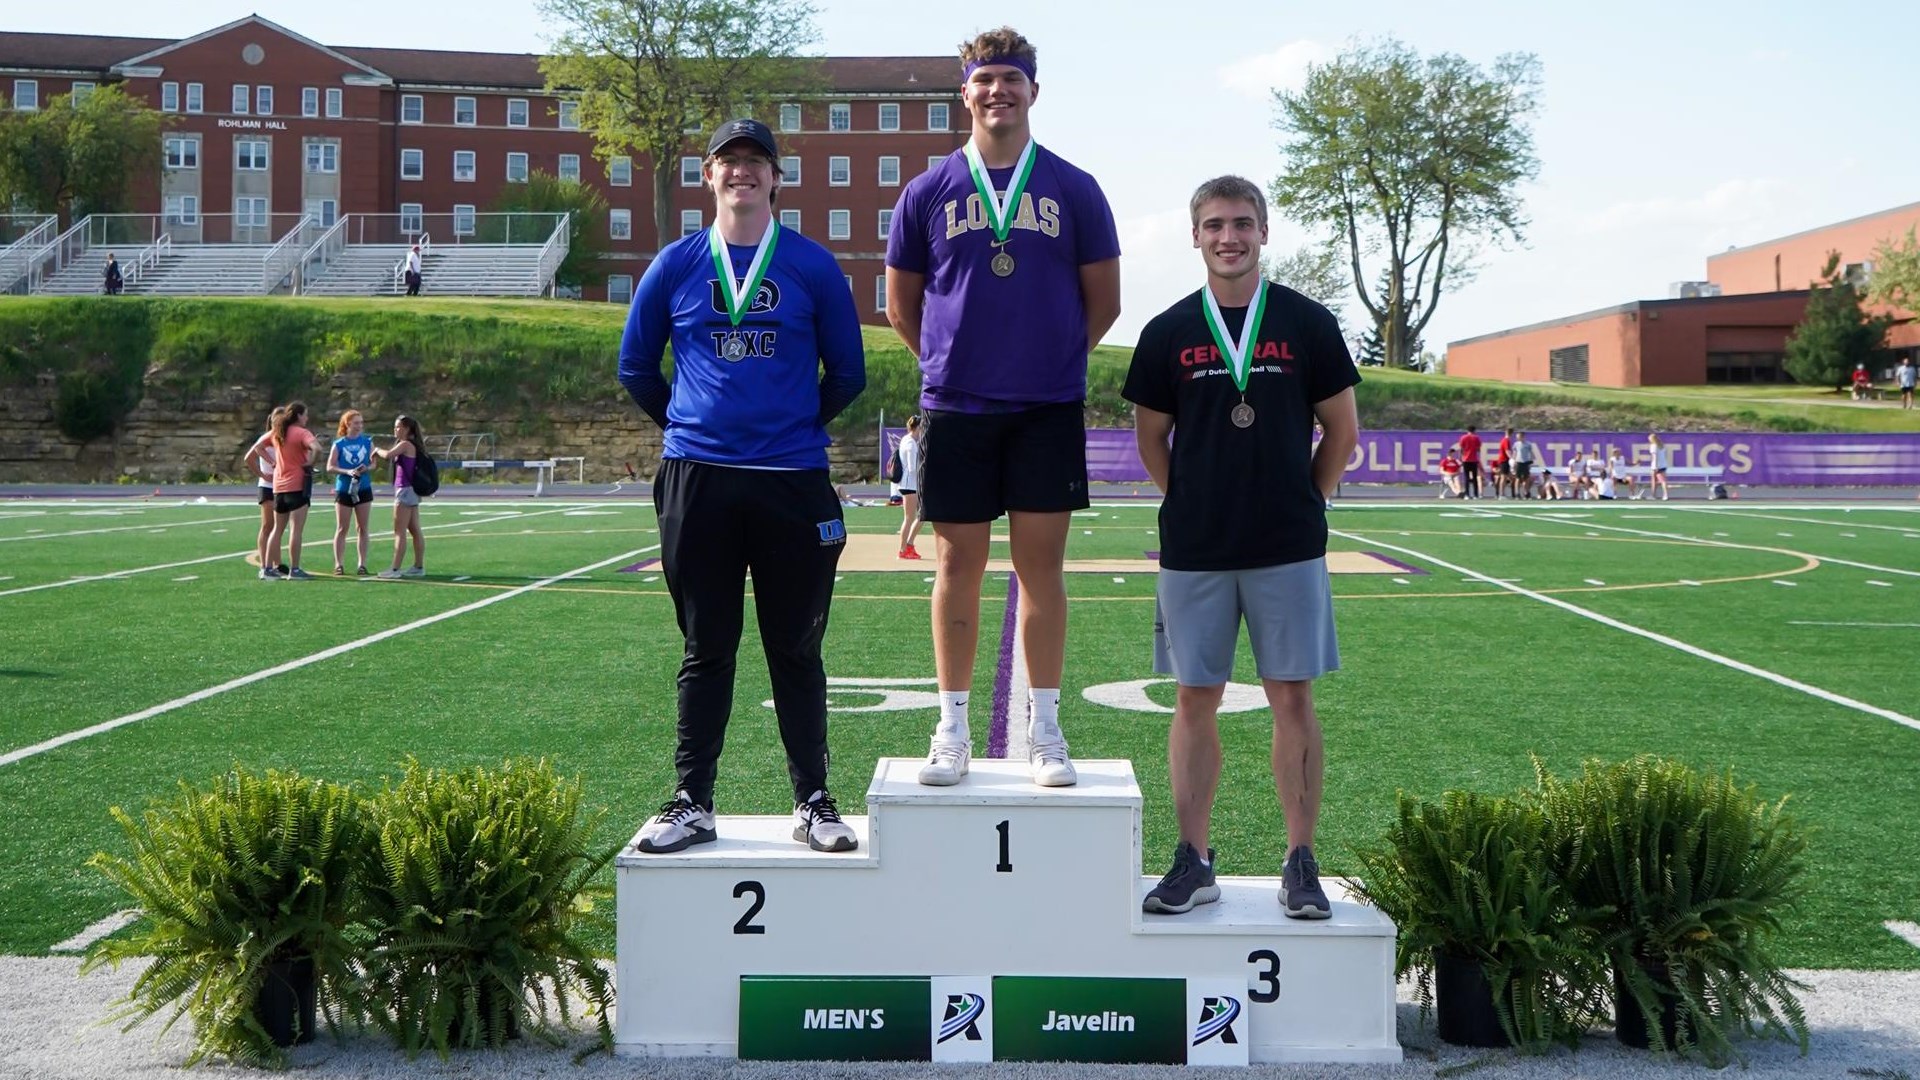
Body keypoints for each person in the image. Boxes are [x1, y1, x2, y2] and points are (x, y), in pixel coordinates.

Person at [620, 116, 867, 854]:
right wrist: (693, 426)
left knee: (797, 649)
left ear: (776, 179)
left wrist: (789, 426)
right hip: (698, 480)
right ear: (708, 175)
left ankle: (813, 800)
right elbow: (636, 368)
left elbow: (848, 373)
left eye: (757, 161)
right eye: (729, 161)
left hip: (791, 481)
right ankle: (692, 800)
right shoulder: (675, 264)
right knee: (706, 647)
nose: (743, 172)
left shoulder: (813, 265)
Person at [885, 26, 1122, 787]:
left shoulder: (1075, 187)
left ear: (1033, 91)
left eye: (1011, 79)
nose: (998, 92)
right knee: (956, 565)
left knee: (1041, 569)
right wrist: (950, 363)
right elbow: (900, 305)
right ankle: (951, 726)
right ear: (966, 93)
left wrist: (1048, 361)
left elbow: (1105, 302)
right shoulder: (926, 191)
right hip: (957, 407)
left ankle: (1045, 728)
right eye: (985, 80)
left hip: (1045, 407)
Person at [1125, 176, 1359, 919]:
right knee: (1195, 698)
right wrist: (1193, 500)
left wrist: (1304, 498)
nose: (1229, 237)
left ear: (1264, 232)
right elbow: (1150, 440)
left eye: (1243, 223)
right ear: (1195, 236)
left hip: (1287, 543)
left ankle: (1300, 859)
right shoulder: (1167, 330)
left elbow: (1342, 431)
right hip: (1195, 548)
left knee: (1292, 695)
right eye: (1215, 225)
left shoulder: (1307, 321)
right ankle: (1193, 859)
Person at [372, 415, 428, 578]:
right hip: (411, 490)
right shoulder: (412, 444)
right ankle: (418, 566)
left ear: (407, 429)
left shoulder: (405, 444)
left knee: (399, 531)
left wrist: (376, 450)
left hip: (405, 490)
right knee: (414, 529)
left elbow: (388, 455)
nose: (395, 430)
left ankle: (395, 569)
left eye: (398, 427)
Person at [264, 402, 315, 580]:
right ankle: (295, 569)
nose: (307, 418)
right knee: (296, 530)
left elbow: (258, 447)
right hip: (297, 485)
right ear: (298, 415)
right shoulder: (301, 433)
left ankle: (267, 568)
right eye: (305, 414)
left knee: (277, 529)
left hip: (279, 487)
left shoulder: (277, 431)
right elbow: (317, 448)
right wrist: (310, 463)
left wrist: (273, 462)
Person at [328, 409, 375, 575]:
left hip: (363, 488)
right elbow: (330, 466)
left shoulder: (367, 442)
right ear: (347, 424)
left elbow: (373, 463)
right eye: (356, 423)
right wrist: (347, 471)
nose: (359, 426)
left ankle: (362, 564)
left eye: (361, 423)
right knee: (342, 528)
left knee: (362, 527)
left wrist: (366, 468)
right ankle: (338, 564)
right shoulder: (339, 444)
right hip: (344, 489)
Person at [243, 407, 285, 578]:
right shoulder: (266, 438)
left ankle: (277, 563)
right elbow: (249, 458)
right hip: (267, 486)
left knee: (278, 527)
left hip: (281, 486)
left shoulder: (283, 438)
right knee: (268, 525)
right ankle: (264, 566)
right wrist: (262, 474)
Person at [896, 415, 927, 559]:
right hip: (910, 485)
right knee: (909, 518)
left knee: (921, 515)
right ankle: (903, 549)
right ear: (918, 427)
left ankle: (909, 545)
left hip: (912, 484)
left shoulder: (910, 441)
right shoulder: (910, 443)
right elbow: (912, 467)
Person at [1457, 424, 1482, 499]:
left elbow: (1461, 449)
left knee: (1466, 477)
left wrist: (1460, 458)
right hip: (1474, 460)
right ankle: (1475, 495)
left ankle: (1467, 494)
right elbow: (1478, 449)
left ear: (1467, 430)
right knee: (1475, 478)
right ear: (1474, 431)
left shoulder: (1463, 437)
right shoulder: (1476, 438)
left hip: (1466, 460)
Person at [1510, 430, 1536, 498]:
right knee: (1518, 478)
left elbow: (1531, 453)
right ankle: (1517, 493)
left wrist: (1531, 462)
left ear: (1522, 436)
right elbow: (1514, 453)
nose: (1517, 438)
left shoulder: (1528, 444)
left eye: (1518, 437)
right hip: (1518, 462)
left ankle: (1526, 492)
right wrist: (1513, 462)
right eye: (1517, 437)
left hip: (1526, 462)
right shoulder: (1516, 444)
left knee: (1526, 479)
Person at [1647, 432, 1672, 501]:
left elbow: (1655, 456)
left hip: (1656, 466)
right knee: (1662, 480)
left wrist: (1655, 466)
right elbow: (1664, 455)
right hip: (1663, 465)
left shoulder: (1653, 446)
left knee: (1656, 481)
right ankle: (1664, 495)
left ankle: (1655, 495)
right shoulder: (1662, 445)